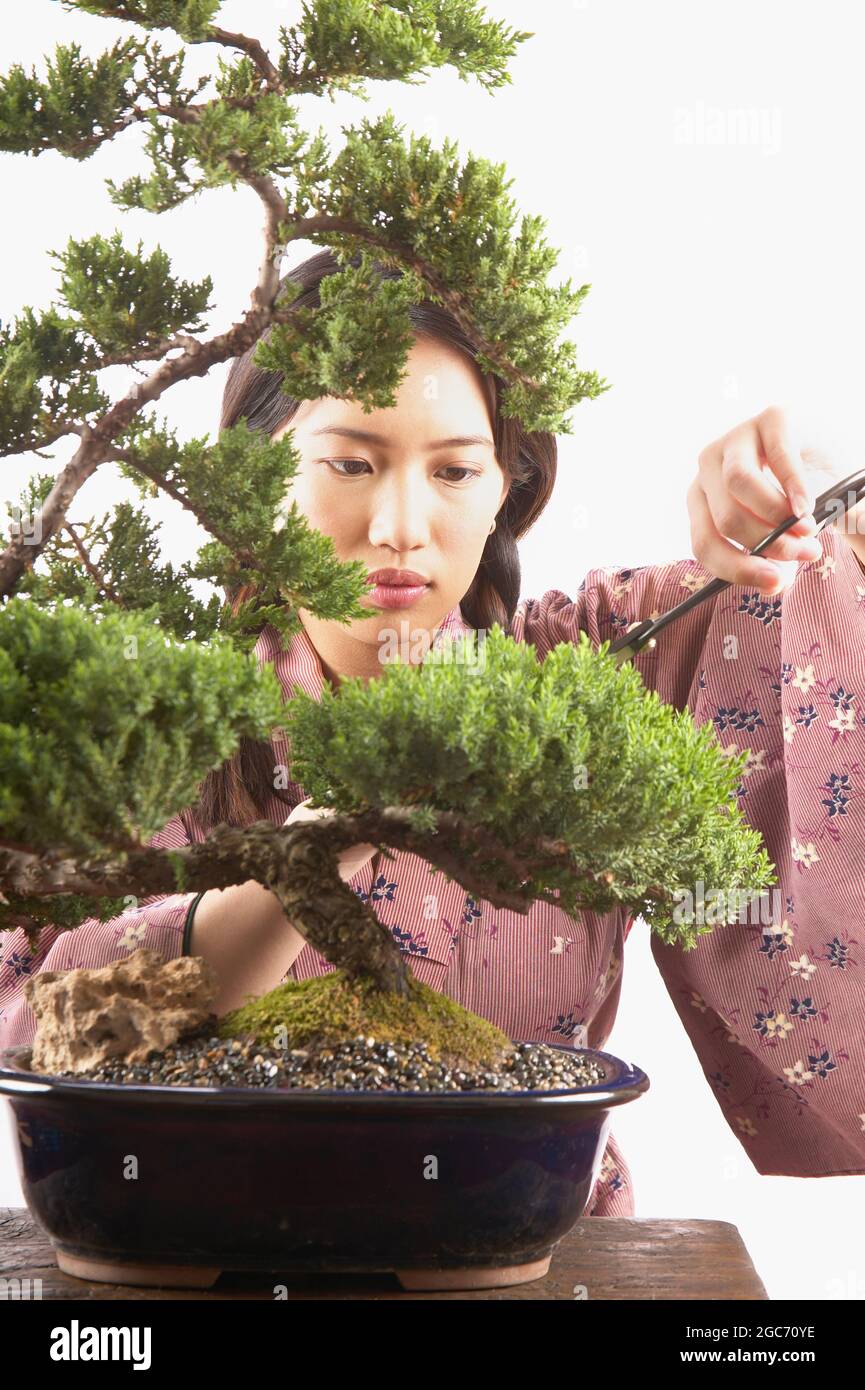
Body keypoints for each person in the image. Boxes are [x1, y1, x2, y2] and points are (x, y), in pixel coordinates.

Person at [2, 249, 864, 1219]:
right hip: (201, 1258)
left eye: (454, 468)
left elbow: (814, 634)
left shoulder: (585, 677)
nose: (402, 524)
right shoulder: (129, 720)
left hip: (535, 1250)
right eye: (350, 461)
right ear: (247, 472)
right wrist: (313, 852)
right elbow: (44, 1034)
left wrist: (824, 501)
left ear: (507, 481)